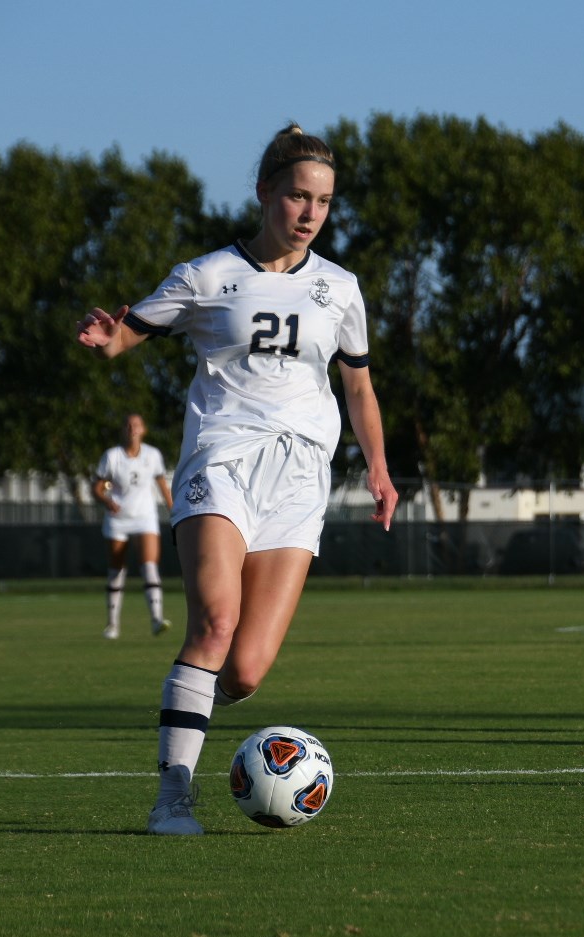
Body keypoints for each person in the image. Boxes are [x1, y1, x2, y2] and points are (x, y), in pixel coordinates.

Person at [77, 123, 399, 834]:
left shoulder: (340, 288)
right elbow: (133, 327)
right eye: (296, 195)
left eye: (322, 200)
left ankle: (180, 706)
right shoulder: (207, 275)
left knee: (247, 669)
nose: (310, 211)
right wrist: (110, 338)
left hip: (300, 479)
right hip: (220, 462)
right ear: (264, 193)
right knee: (214, 623)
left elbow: (360, 389)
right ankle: (174, 795)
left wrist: (377, 466)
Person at [92, 413, 174, 640]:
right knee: (116, 570)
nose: (132, 428)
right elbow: (96, 488)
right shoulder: (112, 456)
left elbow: (163, 486)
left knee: (149, 567)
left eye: (136, 424)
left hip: (145, 517)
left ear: (143, 429)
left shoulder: (153, 455)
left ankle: (157, 619)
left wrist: (174, 510)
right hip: (118, 520)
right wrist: (107, 500)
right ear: (123, 429)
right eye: (128, 425)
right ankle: (112, 625)